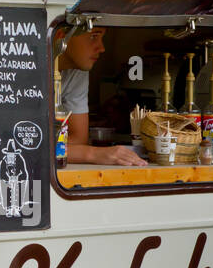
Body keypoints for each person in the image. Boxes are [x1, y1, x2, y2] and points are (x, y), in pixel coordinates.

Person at [54, 25, 146, 167]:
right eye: (93, 36)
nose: (102, 48)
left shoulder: (76, 71)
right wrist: (94, 154)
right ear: (61, 36)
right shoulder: (24, 65)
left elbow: (78, 139)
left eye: (102, 38)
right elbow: (22, 145)